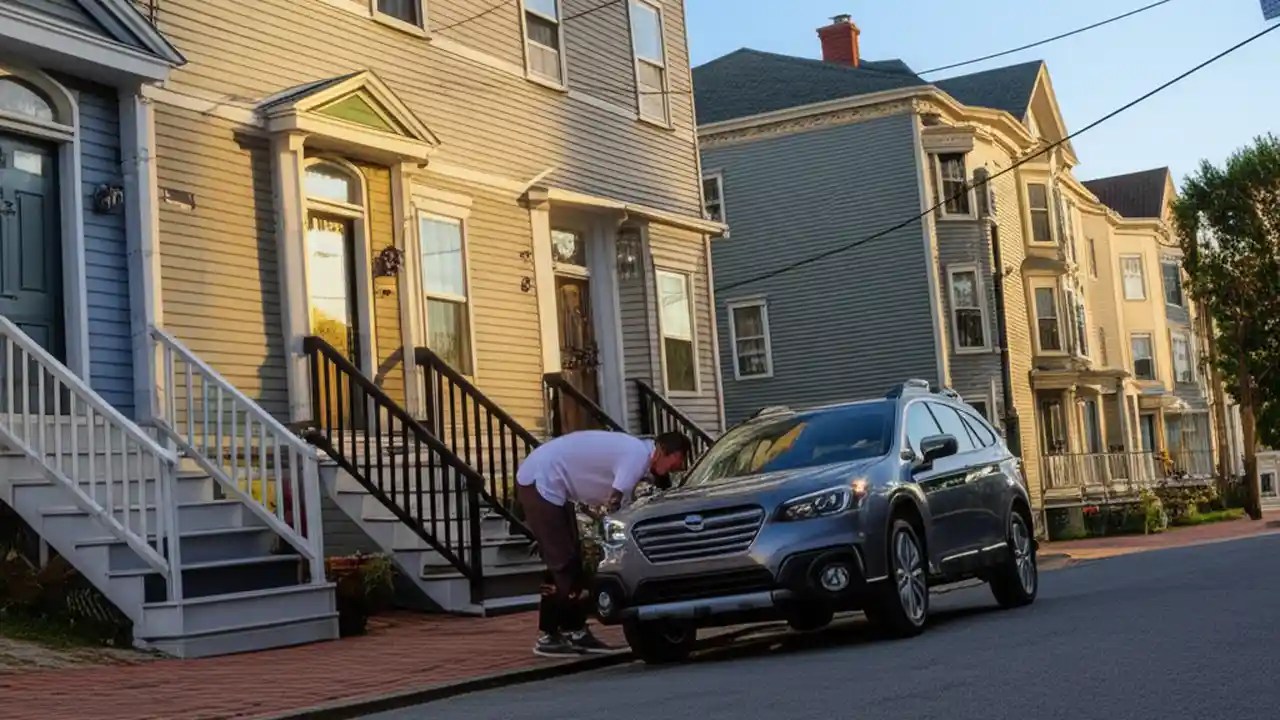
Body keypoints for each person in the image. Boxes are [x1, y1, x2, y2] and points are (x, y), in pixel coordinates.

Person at [516, 430, 692, 657]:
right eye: (678, 459)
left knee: (563, 561)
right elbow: (614, 507)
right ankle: (574, 633)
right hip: (541, 481)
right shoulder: (636, 457)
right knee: (565, 563)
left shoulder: (636, 454)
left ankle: (552, 635)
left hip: (550, 481)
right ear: (663, 451)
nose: (679, 467)